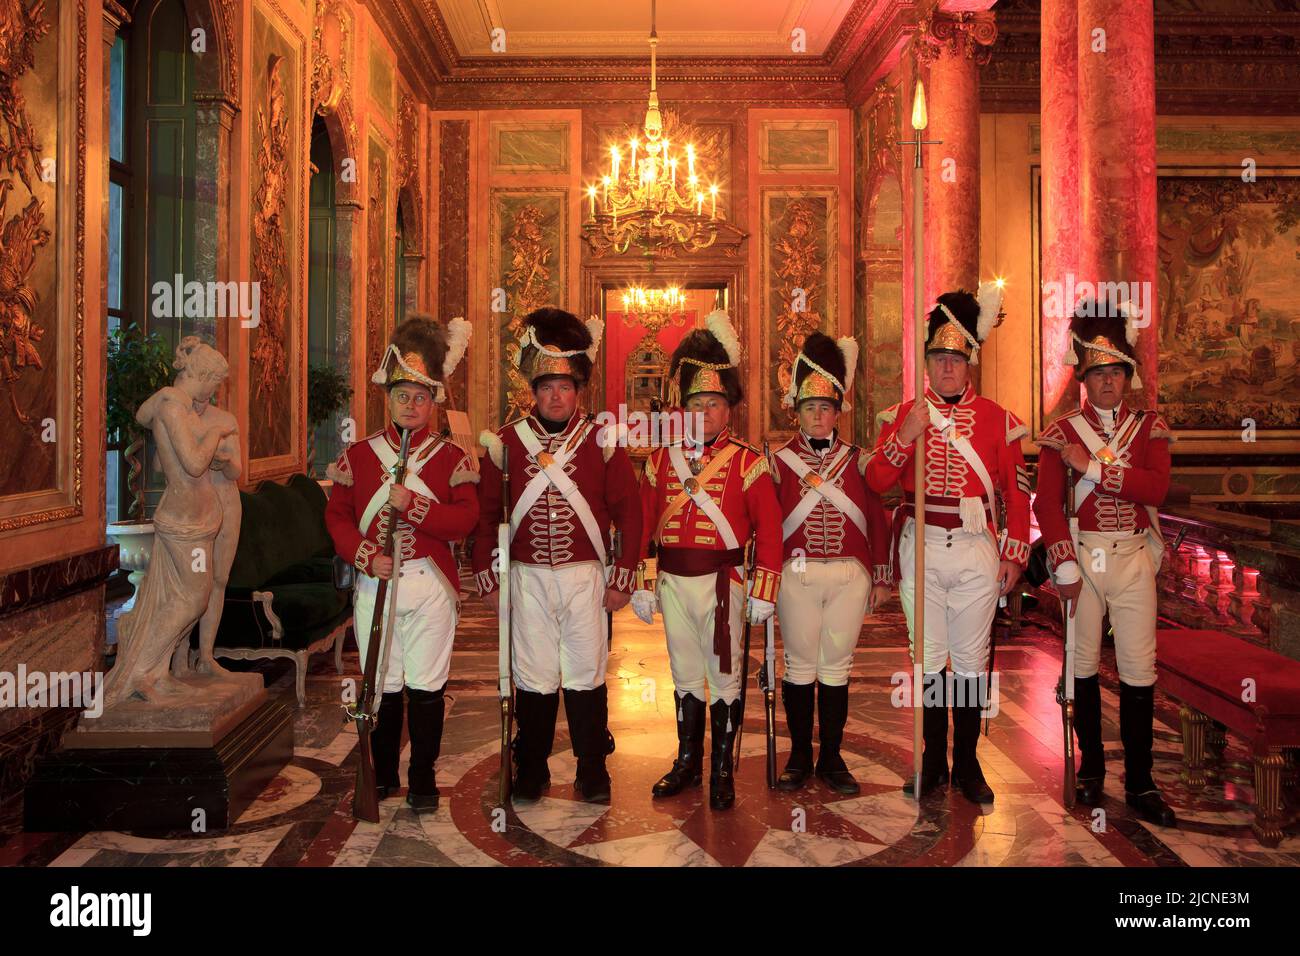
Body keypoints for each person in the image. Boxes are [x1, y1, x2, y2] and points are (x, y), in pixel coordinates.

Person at [866, 285, 1031, 805]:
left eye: (955, 359)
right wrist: (904, 436)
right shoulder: (904, 413)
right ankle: (932, 762)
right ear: (928, 363)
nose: (946, 368)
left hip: (976, 547)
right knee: (928, 659)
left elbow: (1018, 491)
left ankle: (968, 765)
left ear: (969, 364)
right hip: (922, 547)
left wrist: (1015, 551)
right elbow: (875, 480)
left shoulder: (998, 419)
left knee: (969, 659)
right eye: (937, 358)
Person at [472, 308, 641, 804]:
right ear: (534, 389)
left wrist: (622, 579)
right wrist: (489, 576)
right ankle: (532, 767)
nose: (555, 396)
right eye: (546, 386)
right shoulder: (505, 443)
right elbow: (485, 518)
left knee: (586, 671)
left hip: (585, 577)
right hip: (527, 577)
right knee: (534, 673)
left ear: (578, 391)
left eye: (564, 387)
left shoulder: (602, 442)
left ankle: (592, 769)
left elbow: (630, 515)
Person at [324, 314, 477, 811]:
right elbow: (339, 517)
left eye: (420, 397)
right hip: (377, 585)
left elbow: (465, 521)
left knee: (427, 686)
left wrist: (416, 506)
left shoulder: (451, 457)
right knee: (383, 685)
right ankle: (384, 773)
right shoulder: (361, 455)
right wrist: (366, 556)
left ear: (434, 402)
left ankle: (423, 778)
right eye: (401, 395)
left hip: (431, 585)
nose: (410, 405)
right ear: (386, 397)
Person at [1033, 299, 1176, 827]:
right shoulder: (1063, 429)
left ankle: (1141, 780)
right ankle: (1092, 768)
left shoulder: (1149, 427)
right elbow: (1046, 503)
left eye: (1116, 372)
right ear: (1083, 380)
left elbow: (1156, 489)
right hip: (1085, 558)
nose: (1108, 382)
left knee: (1140, 669)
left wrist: (1091, 467)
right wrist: (1064, 565)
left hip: (1135, 557)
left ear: (1127, 376)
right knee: (1084, 665)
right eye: (1098, 374)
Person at [633, 310, 783, 811]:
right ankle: (686, 762)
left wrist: (764, 590)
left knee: (724, 676)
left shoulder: (747, 461)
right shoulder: (661, 460)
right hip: (674, 582)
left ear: (727, 410)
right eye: (695, 403)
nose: (704, 412)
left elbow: (771, 529)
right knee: (682, 672)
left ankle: (721, 768)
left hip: (725, 583)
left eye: (713, 403)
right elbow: (641, 522)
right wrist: (639, 578)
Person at [770, 331, 891, 794]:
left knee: (836, 667)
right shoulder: (778, 463)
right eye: (809, 409)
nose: (818, 417)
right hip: (796, 577)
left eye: (825, 408)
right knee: (800, 666)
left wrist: (880, 575)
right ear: (796, 413)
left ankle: (833, 756)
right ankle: (801, 755)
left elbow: (877, 520)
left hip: (849, 577)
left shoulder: (859, 461)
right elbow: (767, 522)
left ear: (837, 412)